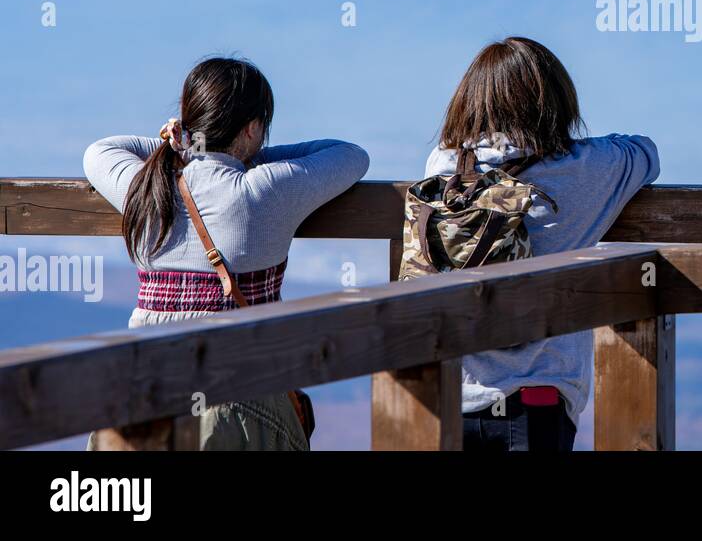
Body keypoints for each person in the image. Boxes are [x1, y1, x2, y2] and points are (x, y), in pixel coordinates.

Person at [82, 56, 370, 450]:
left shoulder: (146, 187)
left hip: (145, 387)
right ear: (252, 129)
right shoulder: (267, 189)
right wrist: (248, 156)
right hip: (241, 401)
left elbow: (100, 150)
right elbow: (349, 155)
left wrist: (180, 146)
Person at [427, 36, 659, 452]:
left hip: (452, 395)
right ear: (555, 102)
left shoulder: (443, 169)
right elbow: (645, 151)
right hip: (535, 404)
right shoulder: (582, 171)